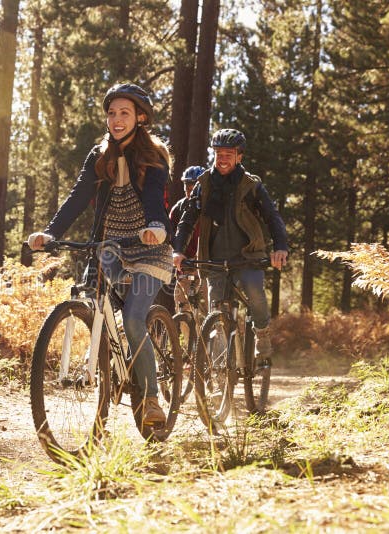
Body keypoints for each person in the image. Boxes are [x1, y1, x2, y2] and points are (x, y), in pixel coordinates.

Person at [27, 83, 173, 427]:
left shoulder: (153, 154)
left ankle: (150, 397)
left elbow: (154, 196)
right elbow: (78, 198)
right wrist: (51, 232)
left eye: (125, 113)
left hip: (150, 246)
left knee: (135, 318)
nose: (117, 119)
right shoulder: (99, 156)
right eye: (112, 113)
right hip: (109, 247)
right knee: (96, 306)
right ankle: (112, 375)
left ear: (140, 117)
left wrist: (156, 225)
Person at [172, 128, 288, 364]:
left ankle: (262, 333)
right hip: (215, 259)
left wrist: (280, 247)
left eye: (228, 154)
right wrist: (178, 250)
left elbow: (272, 216)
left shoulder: (251, 185)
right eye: (218, 154)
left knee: (255, 294)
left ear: (239, 156)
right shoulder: (203, 184)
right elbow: (188, 219)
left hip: (248, 256)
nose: (222, 158)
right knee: (217, 313)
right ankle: (221, 372)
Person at [168, 165, 207, 314]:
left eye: (194, 186)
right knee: (182, 306)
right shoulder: (178, 208)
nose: (190, 190)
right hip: (185, 265)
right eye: (187, 186)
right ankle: (187, 334)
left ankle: (215, 334)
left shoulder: (211, 207)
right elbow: (171, 235)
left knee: (210, 305)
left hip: (207, 264)